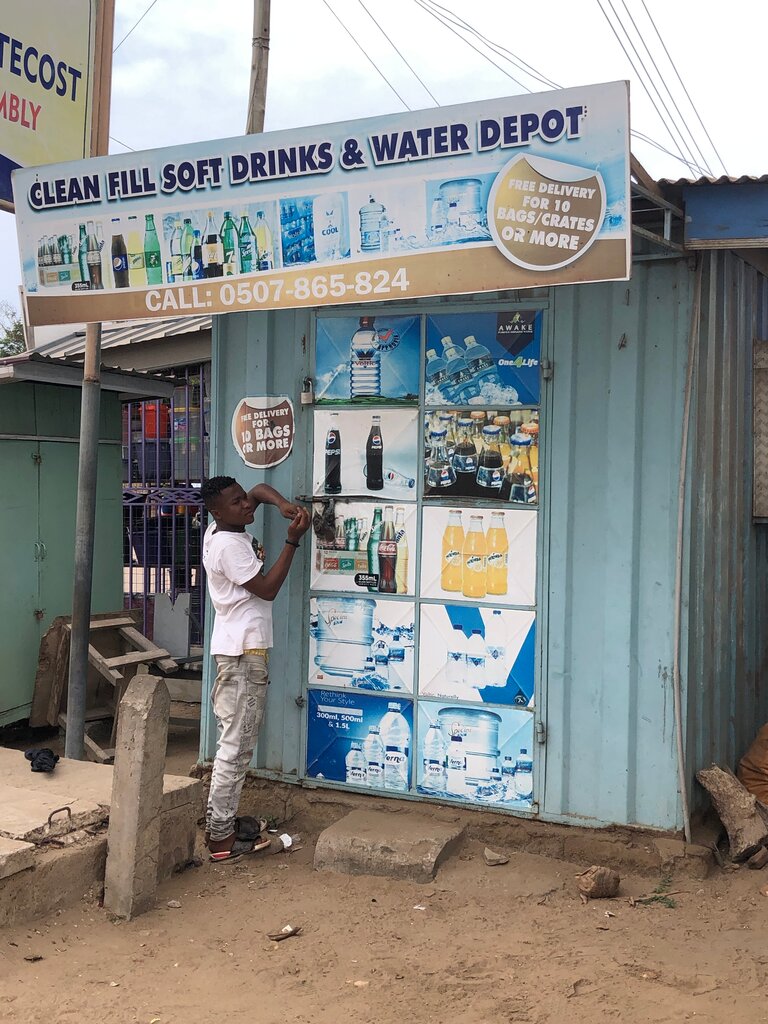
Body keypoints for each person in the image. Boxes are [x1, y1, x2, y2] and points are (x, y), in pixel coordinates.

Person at [200, 475, 310, 862]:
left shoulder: (219, 528)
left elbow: (260, 490)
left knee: (234, 742)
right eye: (236, 503)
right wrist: (292, 541)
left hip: (237, 650)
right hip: (244, 654)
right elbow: (267, 589)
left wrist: (280, 504)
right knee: (236, 747)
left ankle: (221, 824)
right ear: (217, 512)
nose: (246, 505)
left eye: (243, 499)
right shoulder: (229, 546)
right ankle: (220, 840)